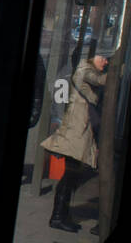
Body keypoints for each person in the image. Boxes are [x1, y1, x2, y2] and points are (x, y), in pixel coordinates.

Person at [41, 53, 108, 233]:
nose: (105, 61)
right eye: (102, 57)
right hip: (75, 135)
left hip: (78, 134)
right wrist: (117, 72)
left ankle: (61, 215)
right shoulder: (84, 69)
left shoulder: (84, 70)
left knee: (72, 175)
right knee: (70, 175)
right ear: (91, 58)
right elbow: (97, 79)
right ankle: (57, 216)